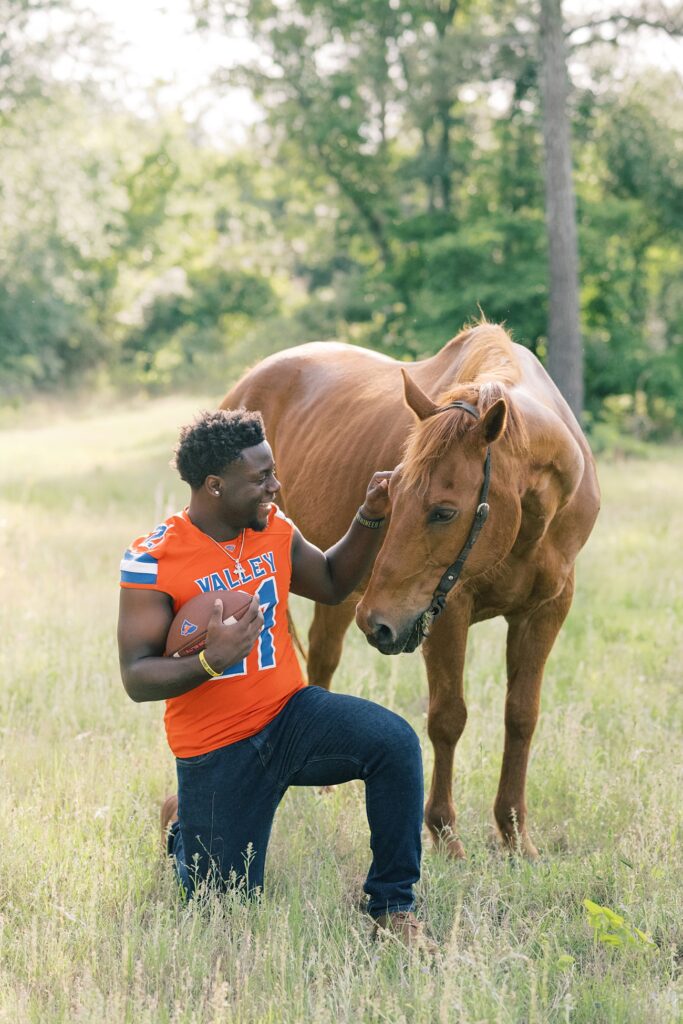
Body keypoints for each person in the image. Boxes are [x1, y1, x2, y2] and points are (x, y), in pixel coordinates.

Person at [117, 408, 432, 950]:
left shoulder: (274, 530)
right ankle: (183, 826)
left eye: (273, 472)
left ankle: (392, 907)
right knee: (224, 910)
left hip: (291, 716)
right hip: (217, 747)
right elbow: (137, 677)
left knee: (395, 743)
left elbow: (333, 582)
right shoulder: (153, 560)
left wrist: (370, 516)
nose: (276, 486)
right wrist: (211, 661)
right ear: (214, 486)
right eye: (261, 477)